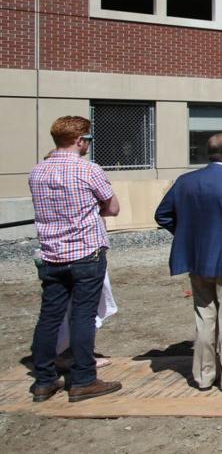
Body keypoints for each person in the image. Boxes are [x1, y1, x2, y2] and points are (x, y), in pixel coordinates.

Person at [155, 133, 222, 393]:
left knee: (204, 318)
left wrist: (187, 235)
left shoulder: (185, 182)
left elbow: (162, 214)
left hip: (198, 260)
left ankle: (204, 376)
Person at [28, 116, 123, 403]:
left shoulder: (37, 172)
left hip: (51, 254)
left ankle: (44, 380)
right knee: (82, 315)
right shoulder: (88, 170)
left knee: (50, 316)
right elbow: (113, 207)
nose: (88, 146)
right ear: (79, 141)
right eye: (88, 140)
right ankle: (83, 379)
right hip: (85, 253)